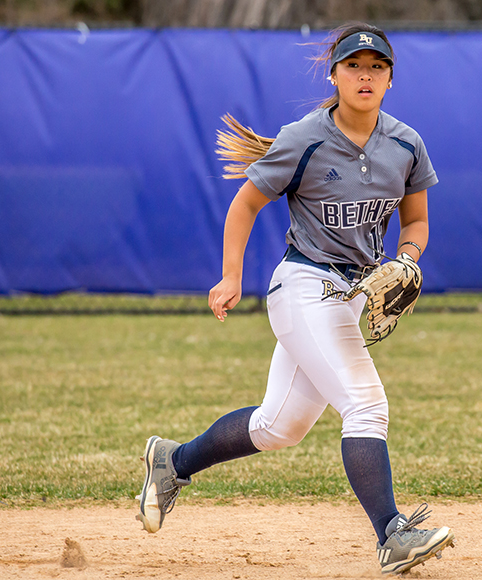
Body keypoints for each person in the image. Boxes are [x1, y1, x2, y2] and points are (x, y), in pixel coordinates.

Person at [135, 22, 454, 575]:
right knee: (366, 404)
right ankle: (392, 534)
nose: (365, 75)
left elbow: (418, 219)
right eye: (354, 65)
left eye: (376, 67)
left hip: (351, 294)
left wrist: (406, 258)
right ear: (334, 74)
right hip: (303, 286)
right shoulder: (305, 136)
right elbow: (245, 203)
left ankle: (172, 460)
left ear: (390, 79)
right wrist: (231, 275)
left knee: (278, 427)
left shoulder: (405, 144)